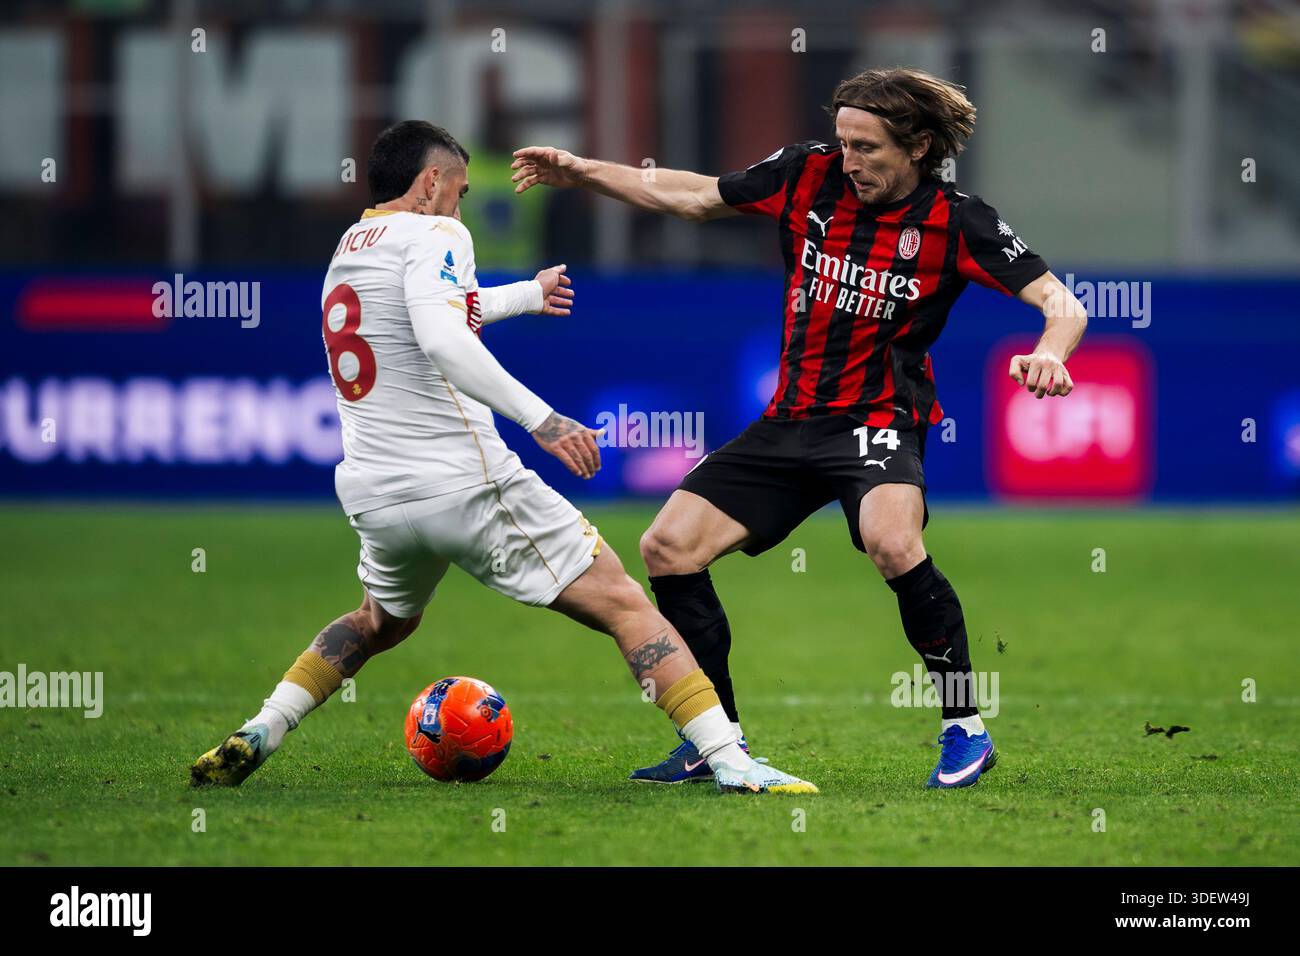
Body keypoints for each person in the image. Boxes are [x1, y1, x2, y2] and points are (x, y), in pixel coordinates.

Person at [190, 120, 816, 795]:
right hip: (465, 485)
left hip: (376, 494)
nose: (460, 208)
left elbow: (435, 311)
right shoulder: (436, 232)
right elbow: (441, 336)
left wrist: (526, 295)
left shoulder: (354, 245)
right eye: (459, 193)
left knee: (378, 621)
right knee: (626, 605)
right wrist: (540, 420)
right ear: (431, 183)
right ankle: (731, 760)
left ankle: (262, 728)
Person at [511, 68, 1088, 788]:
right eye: (845, 142)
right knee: (667, 548)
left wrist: (1049, 352)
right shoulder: (805, 175)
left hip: (879, 419)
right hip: (789, 423)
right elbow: (693, 195)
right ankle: (715, 740)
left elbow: (1062, 303)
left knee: (892, 541)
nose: (850, 161)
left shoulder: (958, 219)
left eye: (868, 147)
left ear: (919, 147)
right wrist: (583, 170)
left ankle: (964, 727)